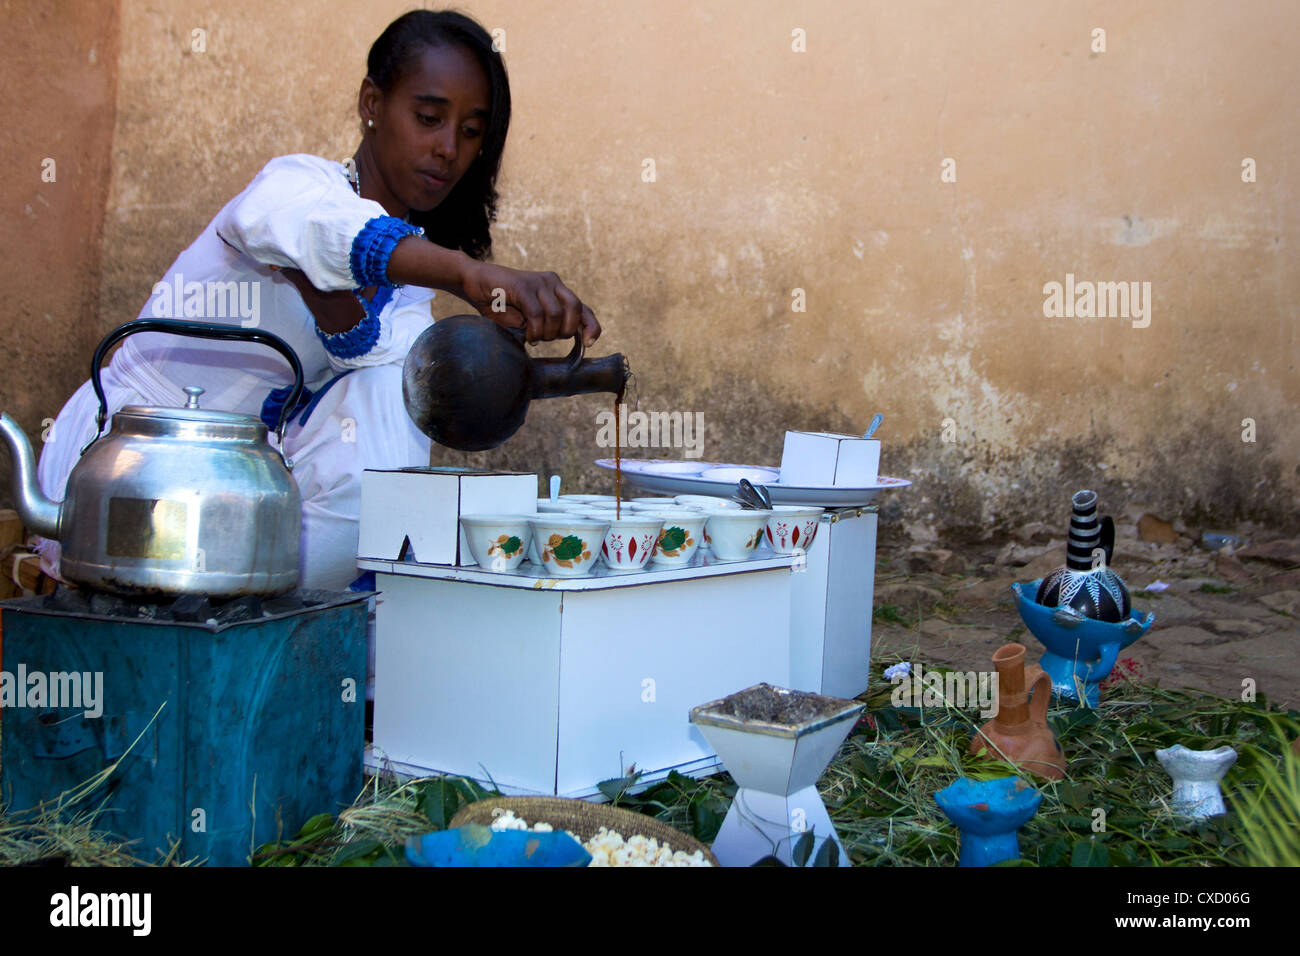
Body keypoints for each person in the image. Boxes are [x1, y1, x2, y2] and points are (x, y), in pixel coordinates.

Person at [35, 9, 599, 594]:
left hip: (242, 491)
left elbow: (389, 397)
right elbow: (311, 228)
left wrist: (521, 366)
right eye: (429, 118)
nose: (449, 148)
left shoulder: (409, 295)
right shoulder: (297, 185)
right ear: (371, 103)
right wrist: (469, 276)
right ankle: (245, 604)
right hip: (126, 463)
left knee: (399, 394)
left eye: (471, 131)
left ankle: (272, 619)